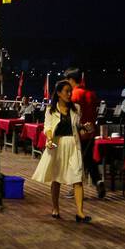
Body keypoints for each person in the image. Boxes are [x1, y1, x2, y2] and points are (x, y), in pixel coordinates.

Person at [31, 79, 90, 223]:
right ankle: (55, 208)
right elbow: (48, 128)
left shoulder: (76, 108)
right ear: (58, 93)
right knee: (56, 178)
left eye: (70, 91)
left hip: (73, 145)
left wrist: (86, 129)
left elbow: (78, 129)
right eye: (66, 91)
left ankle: (80, 212)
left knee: (77, 177)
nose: (70, 94)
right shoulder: (51, 110)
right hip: (58, 144)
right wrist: (50, 139)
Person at [65, 68, 104, 198]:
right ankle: (98, 181)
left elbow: (71, 115)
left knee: (75, 161)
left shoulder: (74, 95)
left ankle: (76, 189)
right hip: (91, 132)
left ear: (71, 80)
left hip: (78, 132)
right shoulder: (91, 94)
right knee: (88, 159)